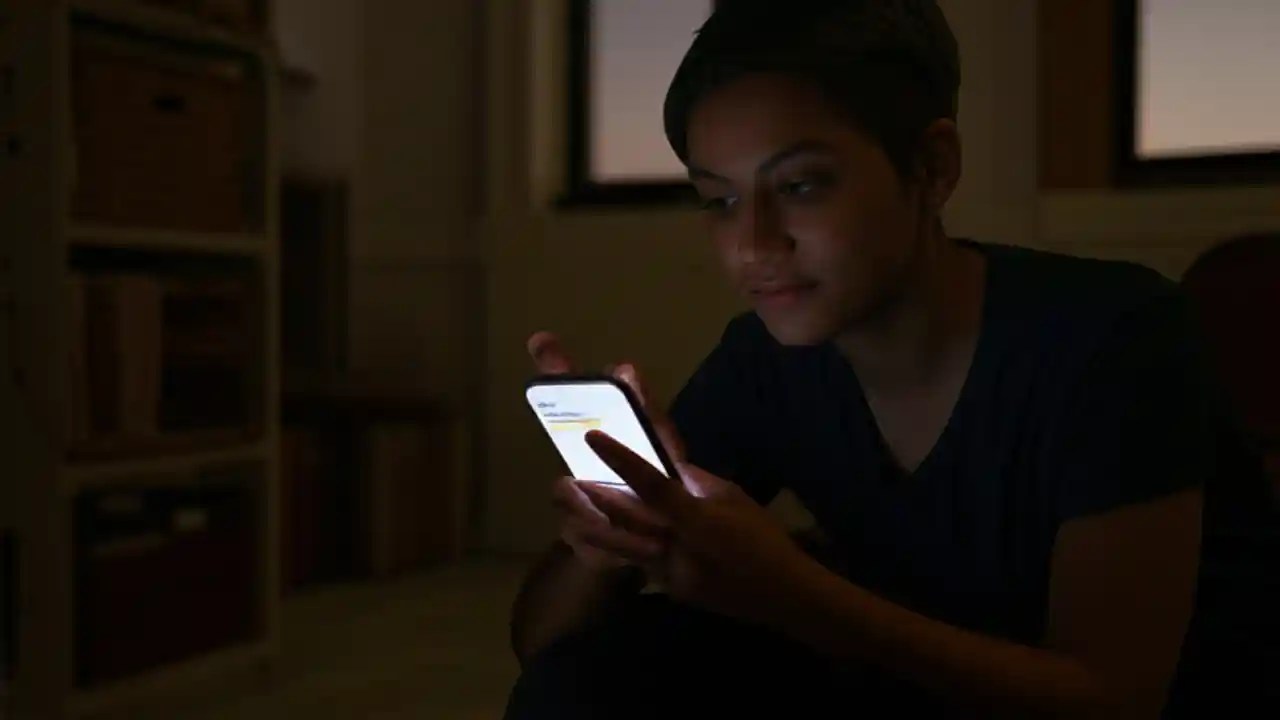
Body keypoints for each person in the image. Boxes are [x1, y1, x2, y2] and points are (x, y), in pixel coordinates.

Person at [503, 1, 1277, 717]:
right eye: (721, 200)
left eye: (801, 186)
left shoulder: (1114, 337)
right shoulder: (767, 359)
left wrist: (793, 594)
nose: (753, 245)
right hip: (930, 668)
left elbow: (1112, 698)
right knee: (592, 681)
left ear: (932, 169)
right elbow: (545, 647)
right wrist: (614, 526)